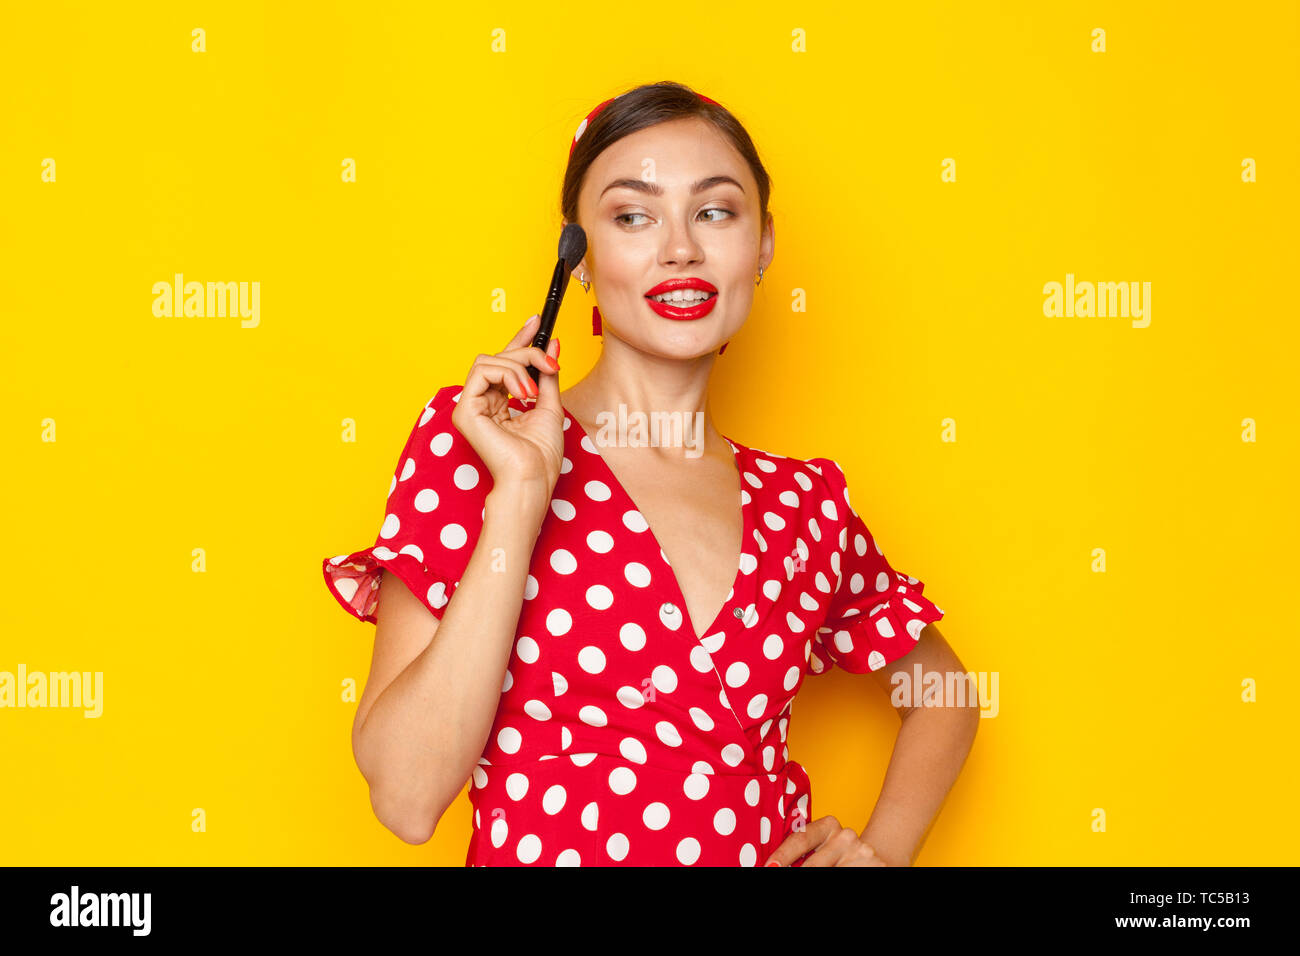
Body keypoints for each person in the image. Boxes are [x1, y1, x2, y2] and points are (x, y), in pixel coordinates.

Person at [322, 81, 979, 866]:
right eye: (633, 215)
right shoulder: (479, 444)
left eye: (715, 211)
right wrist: (523, 496)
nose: (680, 248)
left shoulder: (805, 508)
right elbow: (404, 796)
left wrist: (883, 853)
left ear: (763, 245)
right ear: (581, 257)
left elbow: (944, 694)